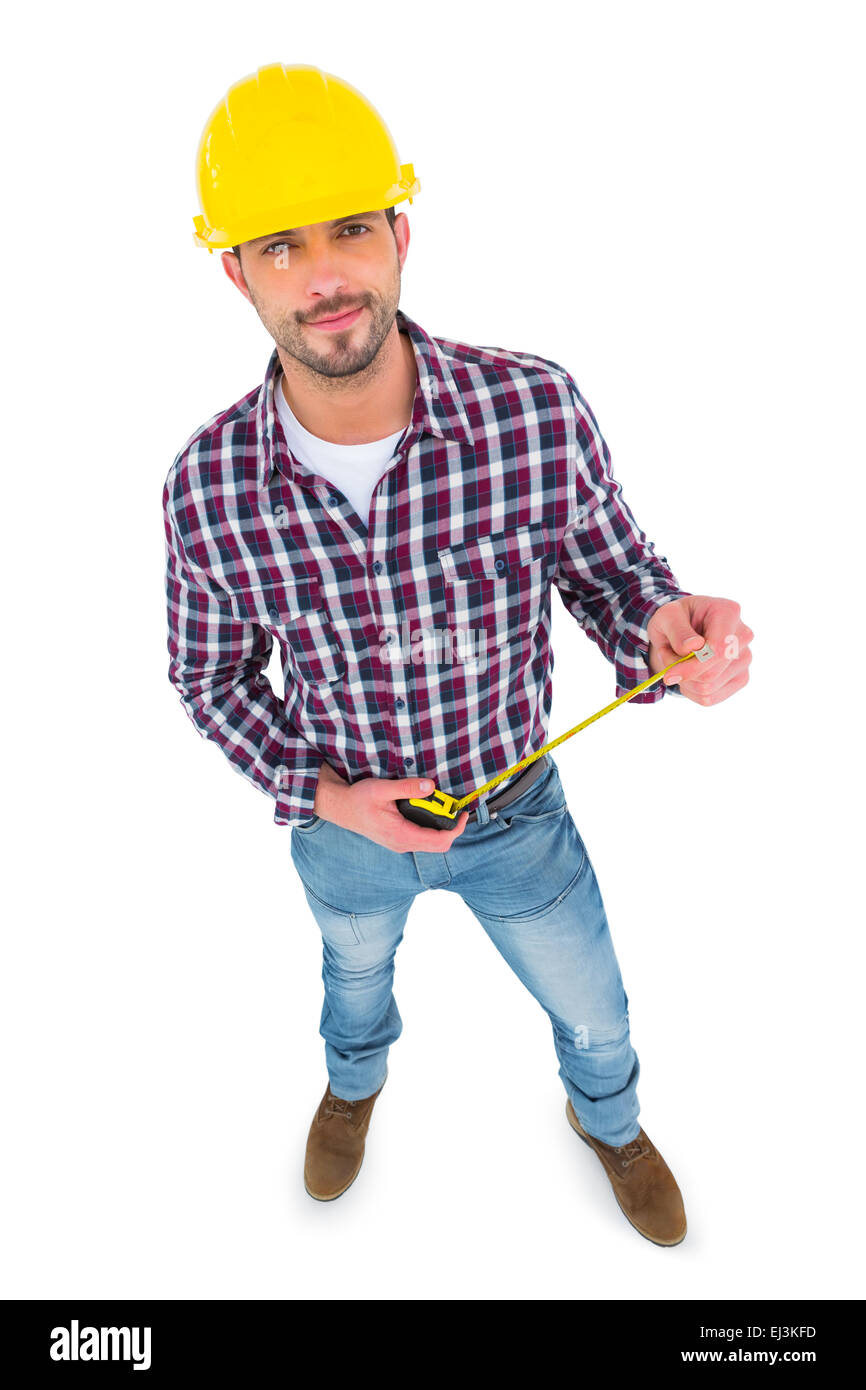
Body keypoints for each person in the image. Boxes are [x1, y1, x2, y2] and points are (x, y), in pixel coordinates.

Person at [165, 63, 753, 1245]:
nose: (323, 276)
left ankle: (610, 1119)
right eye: (278, 246)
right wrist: (331, 798)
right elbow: (210, 678)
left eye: (348, 229)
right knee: (351, 983)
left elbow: (607, 569)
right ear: (233, 270)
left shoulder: (530, 407)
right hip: (343, 839)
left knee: (593, 1008)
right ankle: (352, 1085)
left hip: (513, 813)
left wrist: (661, 628)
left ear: (398, 234)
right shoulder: (207, 486)